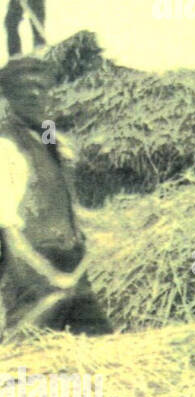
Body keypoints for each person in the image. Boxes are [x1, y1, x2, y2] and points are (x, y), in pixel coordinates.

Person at [0, 59, 111, 334]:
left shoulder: (48, 134)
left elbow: (65, 197)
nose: (35, 95)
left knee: (103, 345)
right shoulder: (5, 146)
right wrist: (50, 276)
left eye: (41, 87)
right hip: (33, 275)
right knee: (31, 358)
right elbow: (8, 231)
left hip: (73, 265)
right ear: (8, 96)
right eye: (24, 89)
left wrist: (103, 228)